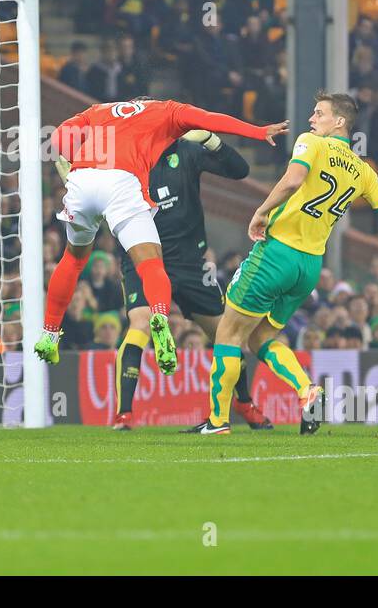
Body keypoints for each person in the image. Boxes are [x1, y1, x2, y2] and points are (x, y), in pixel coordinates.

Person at [184, 92, 378, 435]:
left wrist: (261, 211)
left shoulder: (311, 143)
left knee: (228, 332)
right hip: (310, 267)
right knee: (261, 338)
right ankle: (307, 391)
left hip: (277, 253)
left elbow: (293, 179)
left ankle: (216, 421)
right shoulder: (363, 171)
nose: (312, 119)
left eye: (320, 113)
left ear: (339, 122)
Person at [35, 98, 288, 373]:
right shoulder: (169, 110)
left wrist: (73, 162)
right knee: (152, 263)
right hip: (122, 181)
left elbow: (59, 138)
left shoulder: (99, 110)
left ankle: (49, 334)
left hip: (82, 180)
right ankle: (159, 318)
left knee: (73, 260)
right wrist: (258, 132)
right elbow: (212, 118)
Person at [110, 130, 273, 431]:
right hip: (143, 259)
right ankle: (124, 415)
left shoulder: (185, 151)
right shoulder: (121, 161)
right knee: (141, 323)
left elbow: (240, 170)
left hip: (191, 264)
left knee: (227, 334)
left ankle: (244, 402)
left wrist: (211, 138)